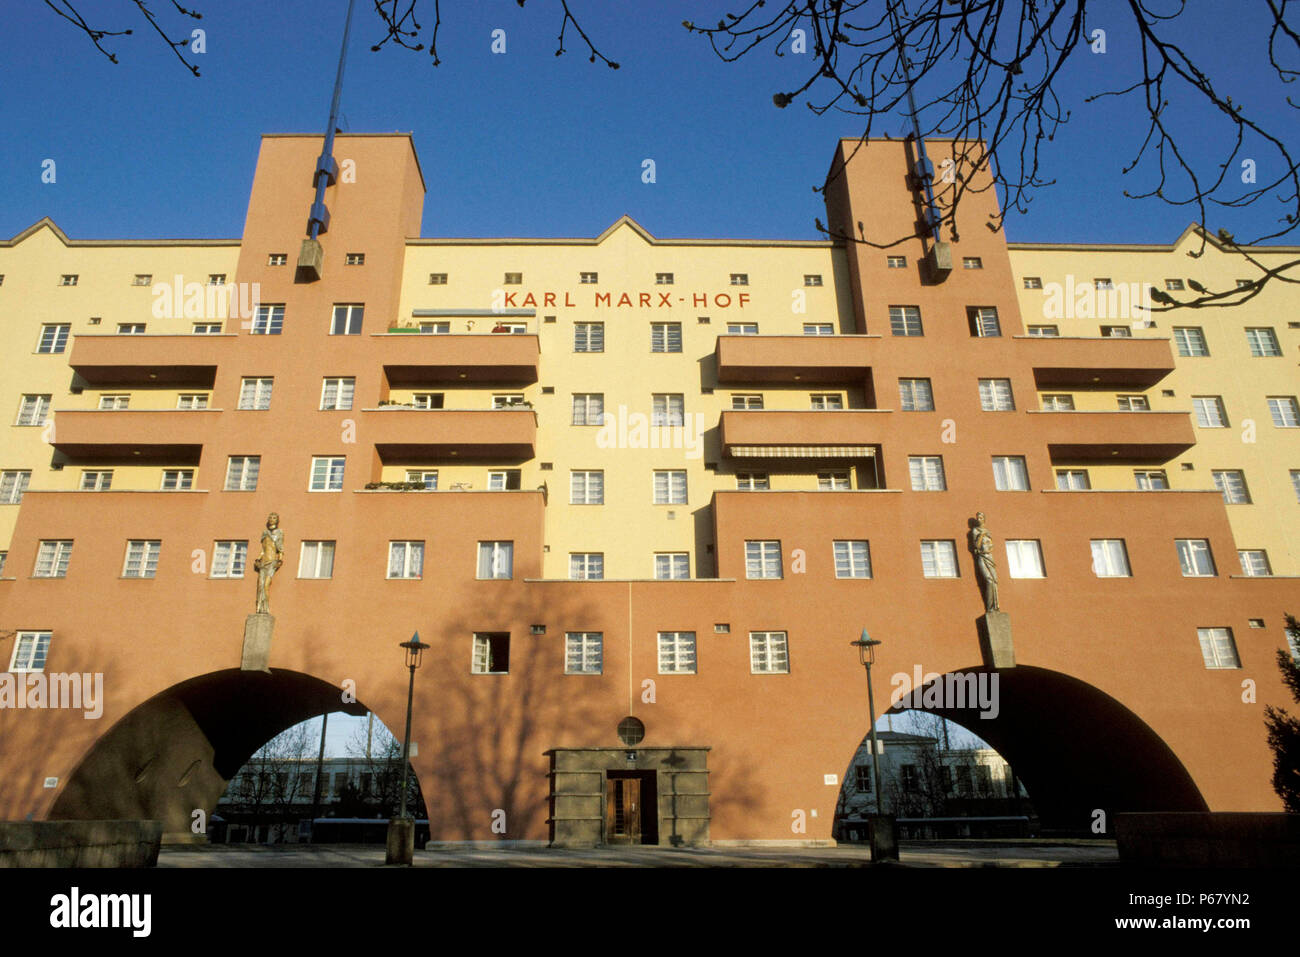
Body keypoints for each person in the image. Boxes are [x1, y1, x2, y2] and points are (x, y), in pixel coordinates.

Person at [968, 512, 999, 612]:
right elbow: (976, 545)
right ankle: (990, 607)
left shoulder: (988, 532)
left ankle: (995, 606)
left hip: (989, 556)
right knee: (989, 580)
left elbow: (991, 545)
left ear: (984, 519)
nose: (979, 519)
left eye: (981, 518)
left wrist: (989, 549)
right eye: (978, 518)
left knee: (994, 581)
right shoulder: (975, 531)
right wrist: (981, 535)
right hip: (981, 557)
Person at [253, 512, 284, 614]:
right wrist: (258, 559)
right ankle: (259, 607)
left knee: (266, 585)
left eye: (274, 518)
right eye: (270, 517)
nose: (271, 519)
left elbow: (280, 548)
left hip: (272, 562)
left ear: (277, 520)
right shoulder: (265, 533)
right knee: (260, 585)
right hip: (263, 562)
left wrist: (280, 560)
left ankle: (266, 607)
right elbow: (263, 549)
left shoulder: (279, 532)